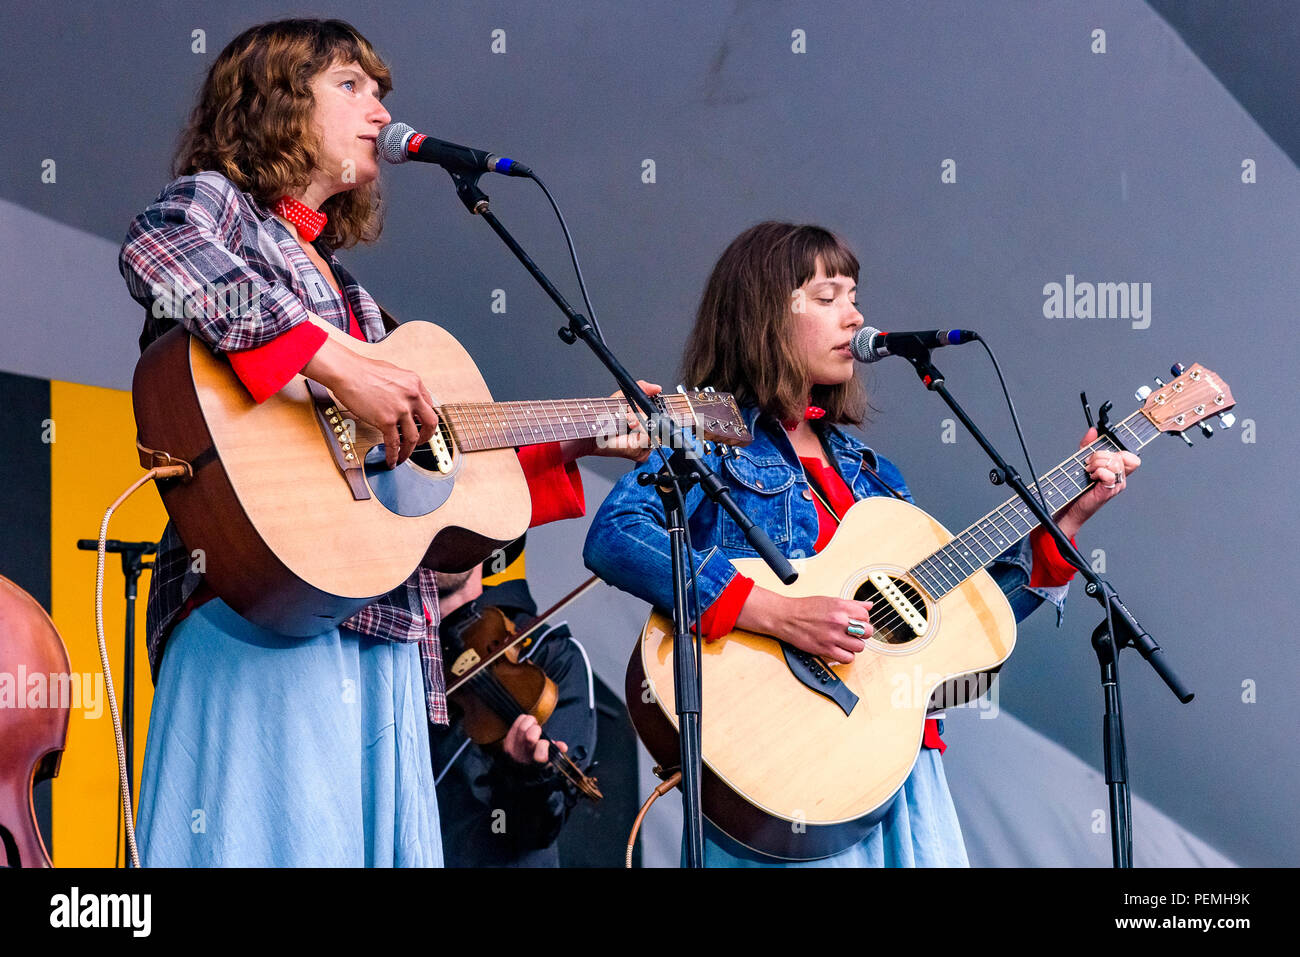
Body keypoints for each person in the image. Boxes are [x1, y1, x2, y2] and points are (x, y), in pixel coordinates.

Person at [118, 18, 646, 866]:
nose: (379, 110)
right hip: (259, 601)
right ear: (275, 103)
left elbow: (435, 477)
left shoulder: (359, 302)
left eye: (380, 92)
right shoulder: (221, 205)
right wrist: (333, 365)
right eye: (350, 86)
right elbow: (160, 248)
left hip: (379, 628)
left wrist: (581, 433)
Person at [582, 221, 1140, 867]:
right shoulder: (707, 433)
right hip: (780, 765)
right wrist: (775, 612)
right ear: (763, 312)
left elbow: (952, 636)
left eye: (854, 294)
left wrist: (1061, 528)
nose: (856, 314)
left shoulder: (871, 471)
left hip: (891, 765)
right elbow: (617, 535)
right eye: (828, 296)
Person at [430, 536, 598, 867]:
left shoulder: (545, 654)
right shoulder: (383, 649)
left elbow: (536, 832)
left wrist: (526, 775)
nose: (439, 533)